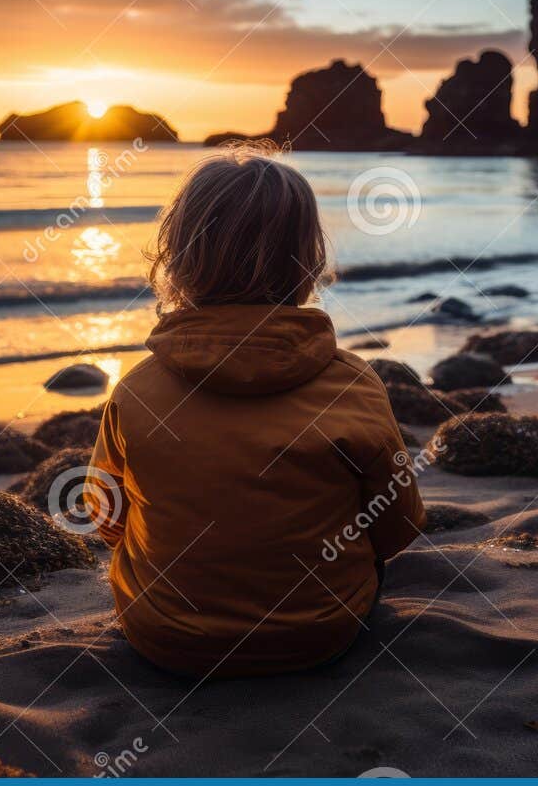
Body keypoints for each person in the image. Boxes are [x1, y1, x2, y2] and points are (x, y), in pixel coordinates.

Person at [86, 145, 425, 678]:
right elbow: (398, 527)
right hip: (320, 635)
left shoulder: (135, 392)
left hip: (166, 638)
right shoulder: (353, 385)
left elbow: (105, 521)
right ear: (310, 257)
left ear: (176, 255)